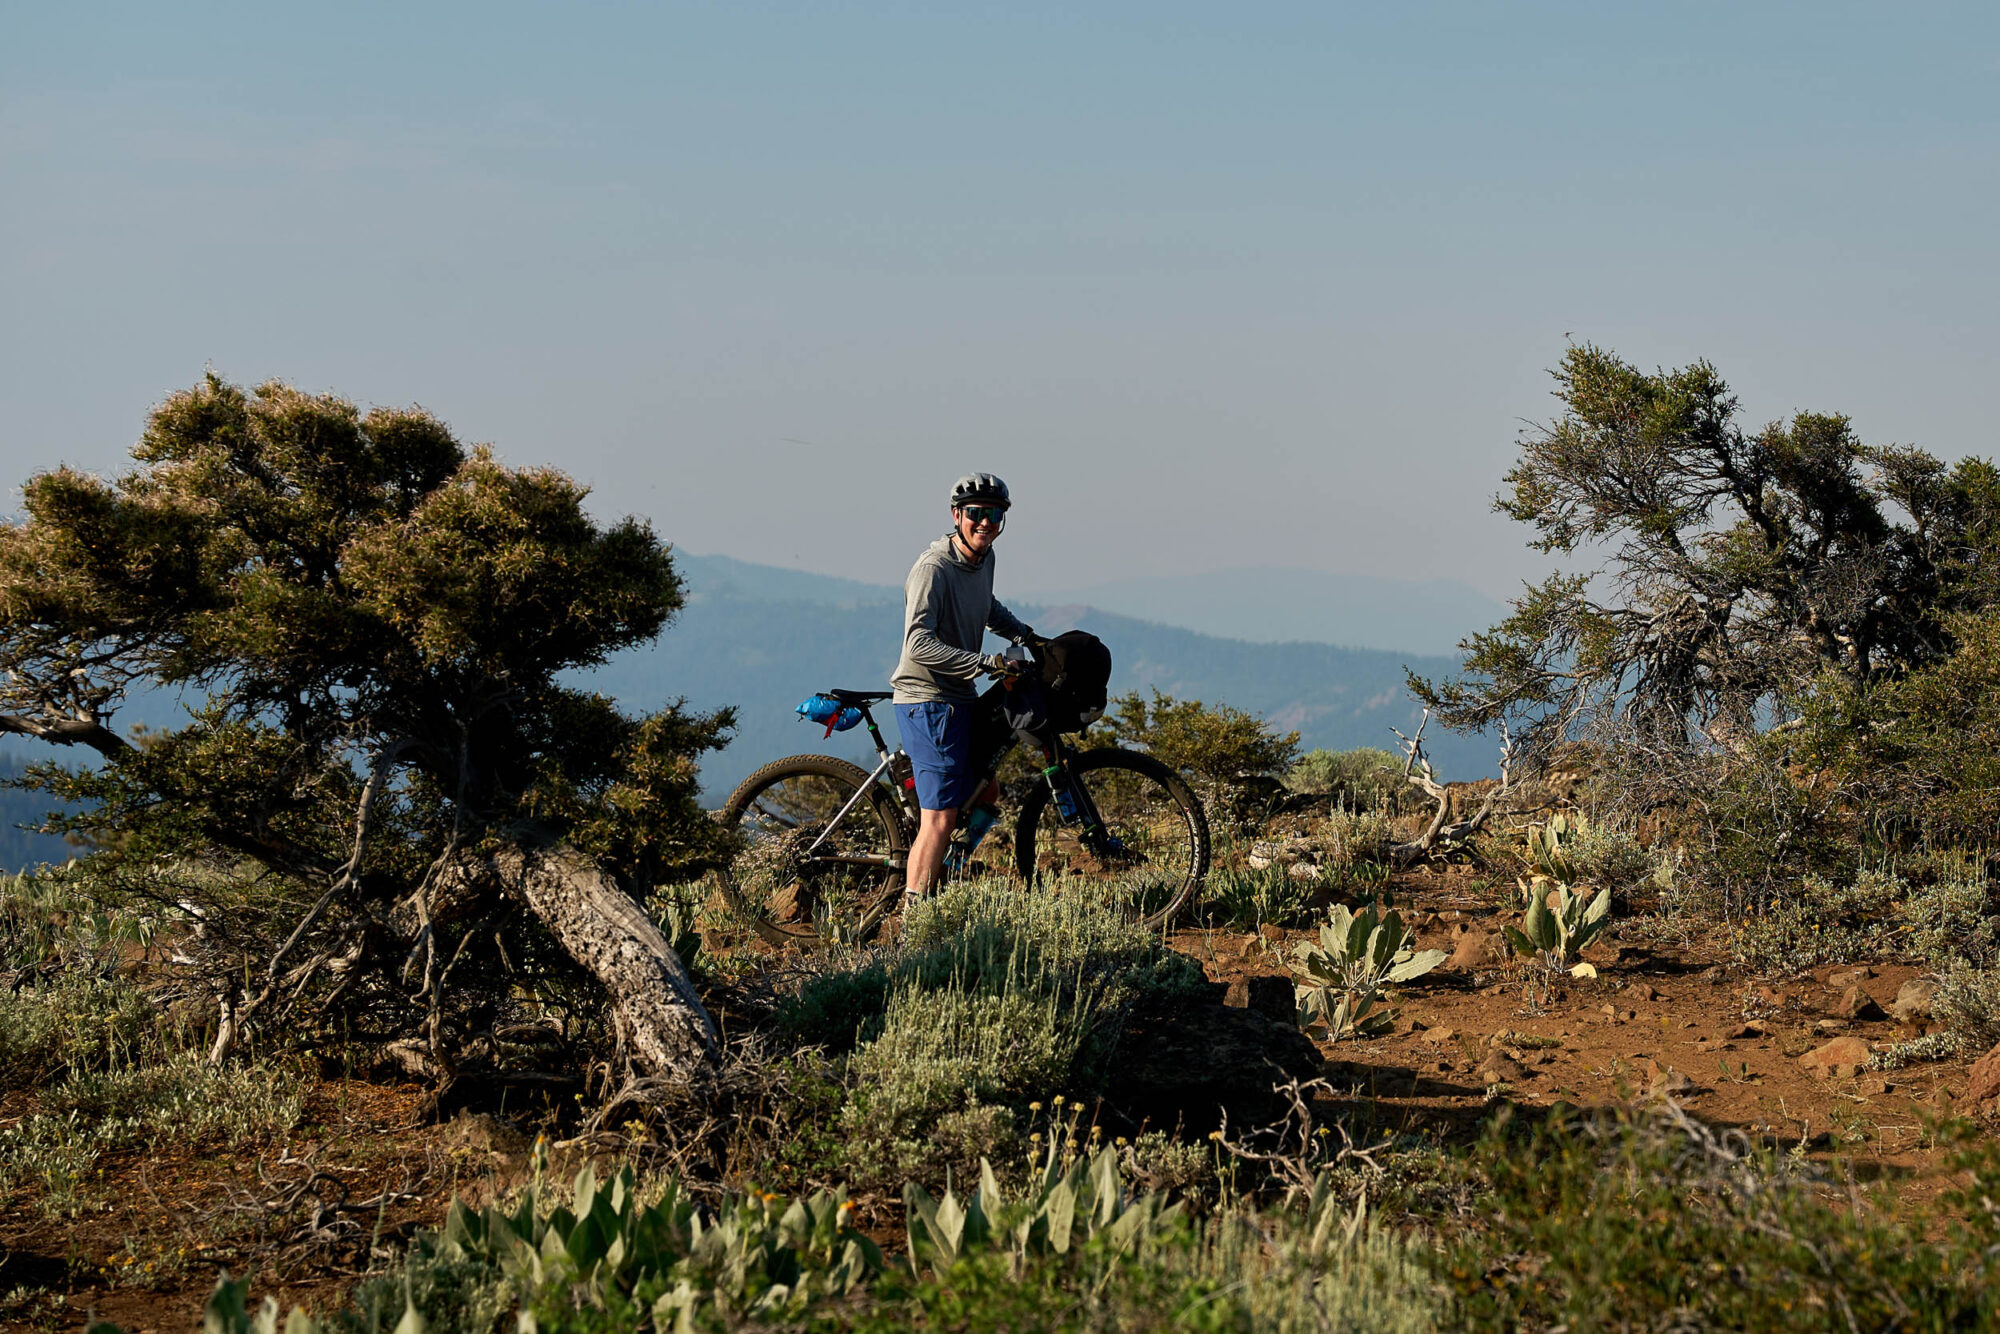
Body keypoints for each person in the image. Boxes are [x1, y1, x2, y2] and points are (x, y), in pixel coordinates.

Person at [891, 473, 1036, 902]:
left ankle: (943, 875)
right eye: (976, 513)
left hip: (960, 699)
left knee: (986, 791)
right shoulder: (933, 569)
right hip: (927, 701)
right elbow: (918, 643)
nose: (985, 522)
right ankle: (914, 920)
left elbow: (986, 605)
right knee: (938, 818)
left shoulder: (983, 559)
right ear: (957, 516)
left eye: (994, 514)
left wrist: (1028, 636)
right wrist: (985, 662)